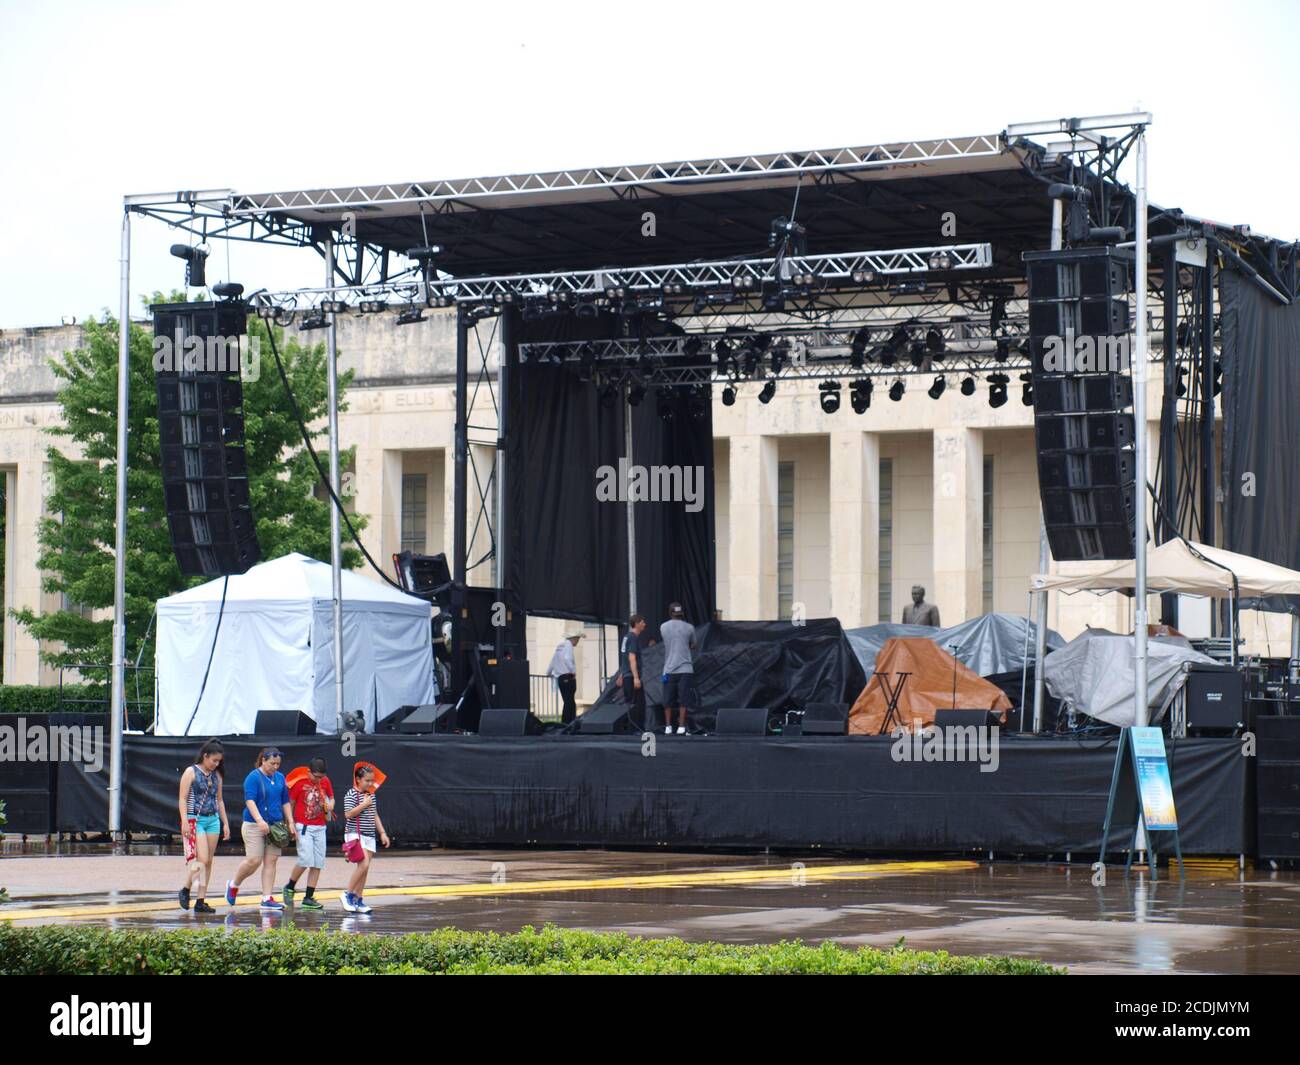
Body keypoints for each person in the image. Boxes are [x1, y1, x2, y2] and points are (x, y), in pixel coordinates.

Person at [226, 747, 295, 912]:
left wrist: (290, 821)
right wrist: (259, 820)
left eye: (278, 764)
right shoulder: (253, 777)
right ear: (263, 760)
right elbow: (249, 800)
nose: (275, 767)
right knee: (254, 860)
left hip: (276, 825)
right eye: (272, 763)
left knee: (271, 861)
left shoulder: (279, 777)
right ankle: (234, 884)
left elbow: (285, 801)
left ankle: (266, 897)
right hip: (254, 824)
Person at [177, 738, 228, 914]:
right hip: (195, 819)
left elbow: (219, 800)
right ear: (205, 756)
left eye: (218, 761)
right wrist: (184, 820)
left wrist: (225, 823)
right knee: (202, 858)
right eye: (214, 760)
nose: (216, 764)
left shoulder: (217, 776)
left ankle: (201, 899)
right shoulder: (191, 772)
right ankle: (185, 888)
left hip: (212, 819)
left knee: (209, 861)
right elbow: (182, 798)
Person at [283, 757, 334, 911]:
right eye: (315, 776)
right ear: (308, 772)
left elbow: (331, 797)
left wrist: (330, 805)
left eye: (321, 777)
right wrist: (289, 823)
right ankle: (290, 886)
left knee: (318, 863)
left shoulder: (325, 782)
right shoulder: (299, 782)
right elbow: (290, 803)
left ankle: (308, 897)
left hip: (320, 826)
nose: (318, 780)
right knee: (305, 859)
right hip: (303, 826)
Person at [342, 763, 390, 914]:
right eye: (367, 781)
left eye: (372, 781)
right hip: (355, 833)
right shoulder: (351, 794)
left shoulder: (371, 795)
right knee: (363, 864)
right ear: (358, 779)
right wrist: (364, 804)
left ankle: (359, 899)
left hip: (369, 835)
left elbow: (374, 814)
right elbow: (348, 814)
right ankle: (347, 894)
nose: (370, 784)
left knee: (365, 868)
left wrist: (382, 832)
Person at [660, 602, 696, 735]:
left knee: (667, 699)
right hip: (685, 669)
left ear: (670, 613)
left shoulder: (663, 627)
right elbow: (693, 645)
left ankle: (668, 726)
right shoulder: (690, 628)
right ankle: (681, 726)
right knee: (683, 698)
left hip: (669, 669)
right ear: (682, 614)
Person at [548, 624, 584, 724]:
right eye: (578, 639)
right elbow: (567, 659)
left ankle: (566, 722)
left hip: (561, 678)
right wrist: (573, 671)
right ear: (574, 638)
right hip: (568, 677)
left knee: (567, 701)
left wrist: (549, 672)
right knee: (570, 702)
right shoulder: (568, 645)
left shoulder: (560, 647)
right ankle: (568, 722)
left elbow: (552, 662)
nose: (578, 641)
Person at [619, 614, 649, 729]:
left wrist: (622, 674)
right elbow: (631, 658)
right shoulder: (633, 638)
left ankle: (631, 728)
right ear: (637, 624)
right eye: (642, 622)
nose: (644, 624)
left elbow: (624, 657)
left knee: (629, 703)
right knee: (636, 704)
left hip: (627, 675)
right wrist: (636, 678)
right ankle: (634, 729)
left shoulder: (626, 637)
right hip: (631, 676)